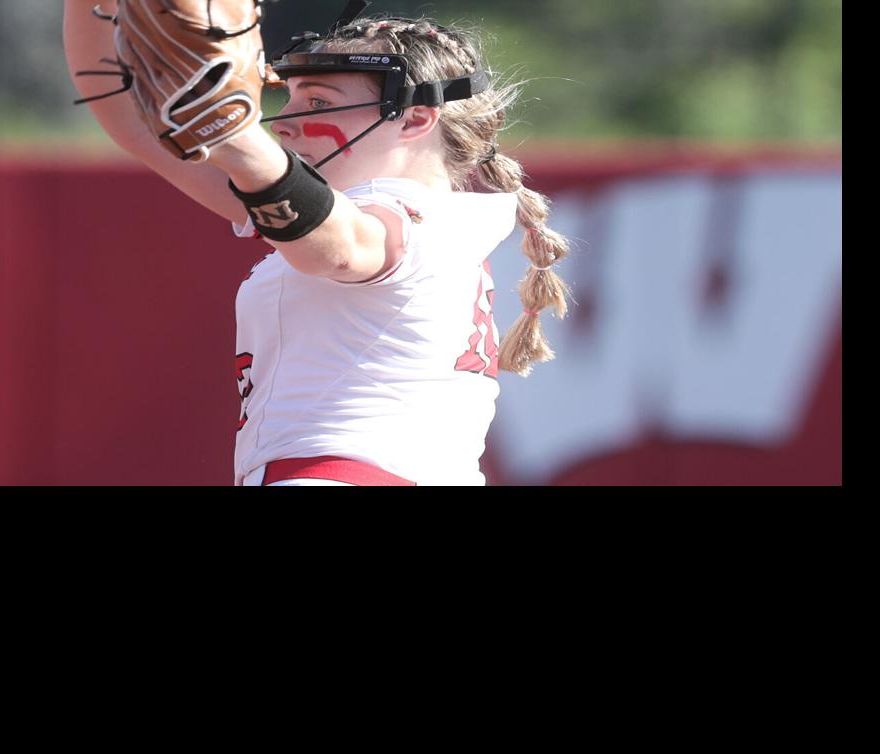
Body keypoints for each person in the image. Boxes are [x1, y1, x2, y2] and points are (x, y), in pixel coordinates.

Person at [63, 0, 570, 485]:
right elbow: (130, 114)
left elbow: (342, 247)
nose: (283, 122)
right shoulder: (418, 220)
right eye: (293, 97)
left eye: (320, 101)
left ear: (415, 118)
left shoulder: (412, 216)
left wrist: (238, 138)